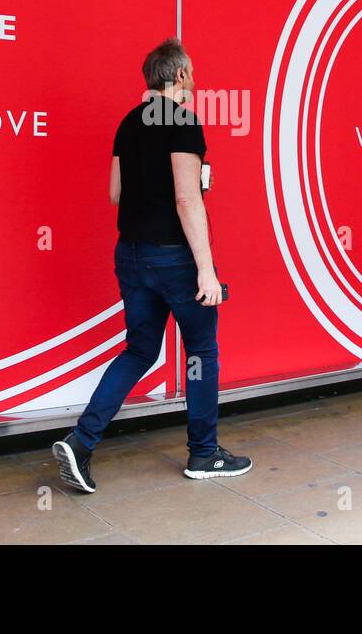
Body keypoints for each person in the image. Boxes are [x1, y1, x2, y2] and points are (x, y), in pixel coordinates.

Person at [52, 39, 251, 492]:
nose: (196, 82)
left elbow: (116, 194)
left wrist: (193, 182)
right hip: (174, 258)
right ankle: (204, 454)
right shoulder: (182, 120)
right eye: (192, 74)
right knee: (201, 351)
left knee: (140, 350)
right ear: (179, 76)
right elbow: (184, 198)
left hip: (132, 254)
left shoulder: (128, 121)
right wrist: (206, 269)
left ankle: (81, 443)